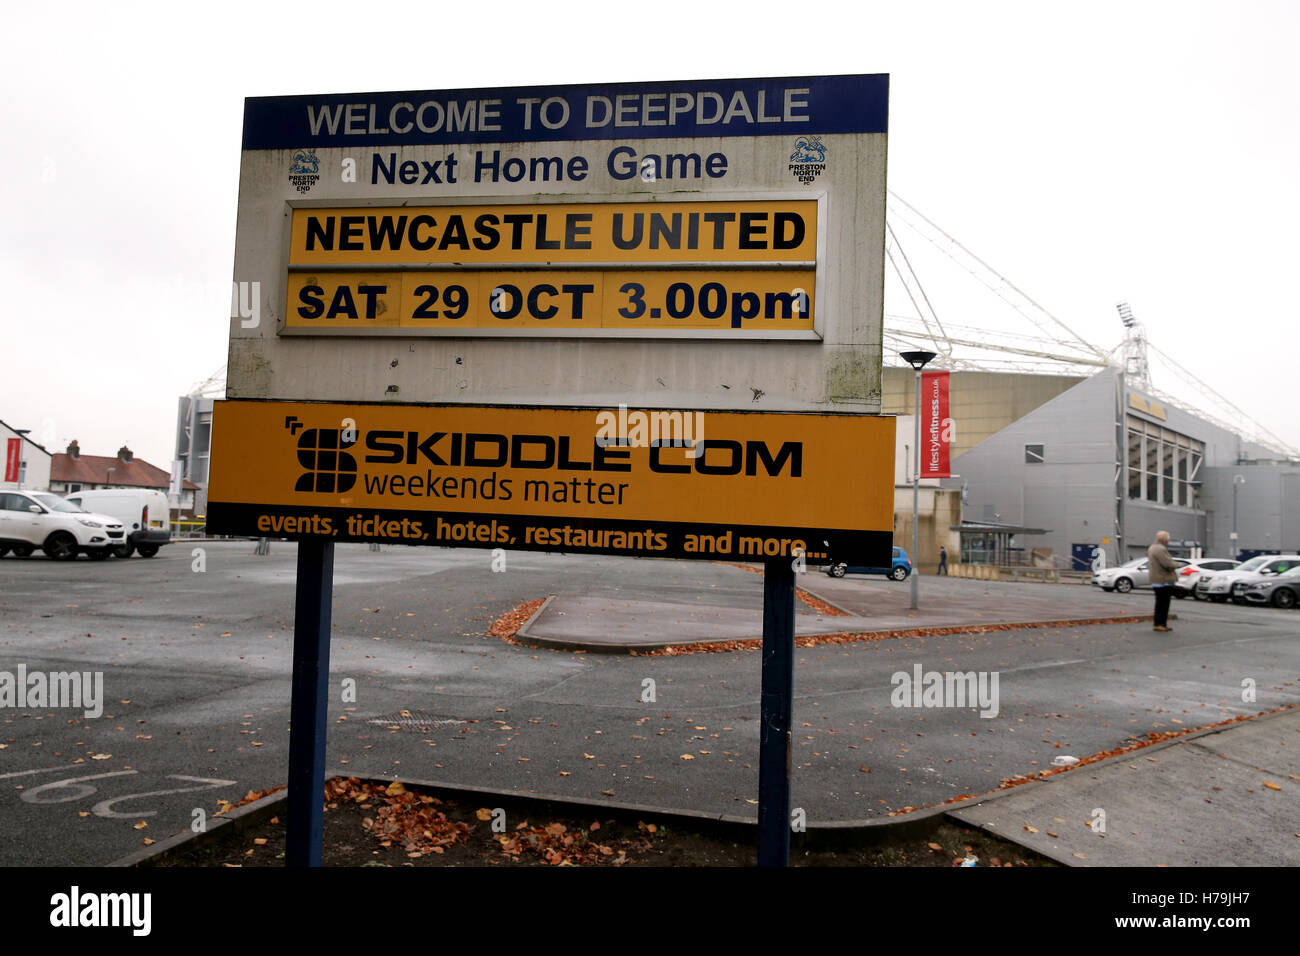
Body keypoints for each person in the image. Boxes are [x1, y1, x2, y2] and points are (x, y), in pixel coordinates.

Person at [1147, 531, 1178, 631]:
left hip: (1156, 580)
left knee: (1159, 603)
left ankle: (1157, 623)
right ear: (1165, 540)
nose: (1168, 542)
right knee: (1164, 604)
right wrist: (1178, 565)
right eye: (1168, 540)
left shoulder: (1152, 548)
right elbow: (1167, 564)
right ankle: (1161, 624)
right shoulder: (1161, 549)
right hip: (1164, 580)